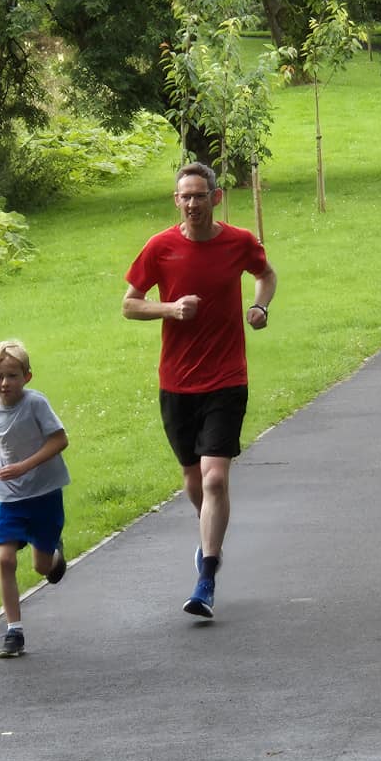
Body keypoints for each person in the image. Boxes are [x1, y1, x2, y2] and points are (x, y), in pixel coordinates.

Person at [122, 162, 277, 619]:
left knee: (214, 477)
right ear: (176, 201)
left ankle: (206, 576)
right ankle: (210, 537)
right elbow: (129, 305)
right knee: (194, 481)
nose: (192, 203)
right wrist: (170, 309)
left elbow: (265, 274)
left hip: (227, 378)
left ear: (217, 197)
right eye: (184, 196)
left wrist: (259, 306)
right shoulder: (160, 247)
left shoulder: (238, 242)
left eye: (199, 195)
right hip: (176, 383)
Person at [0, 340, 69, 658]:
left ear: (27, 377)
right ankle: (14, 632)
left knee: (41, 568)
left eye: (11, 376)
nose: (4, 383)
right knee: (5, 559)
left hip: (44, 494)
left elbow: (60, 440)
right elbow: (2, 440)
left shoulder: (36, 404)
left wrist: (24, 465)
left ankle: (54, 557)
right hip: (9, 498)